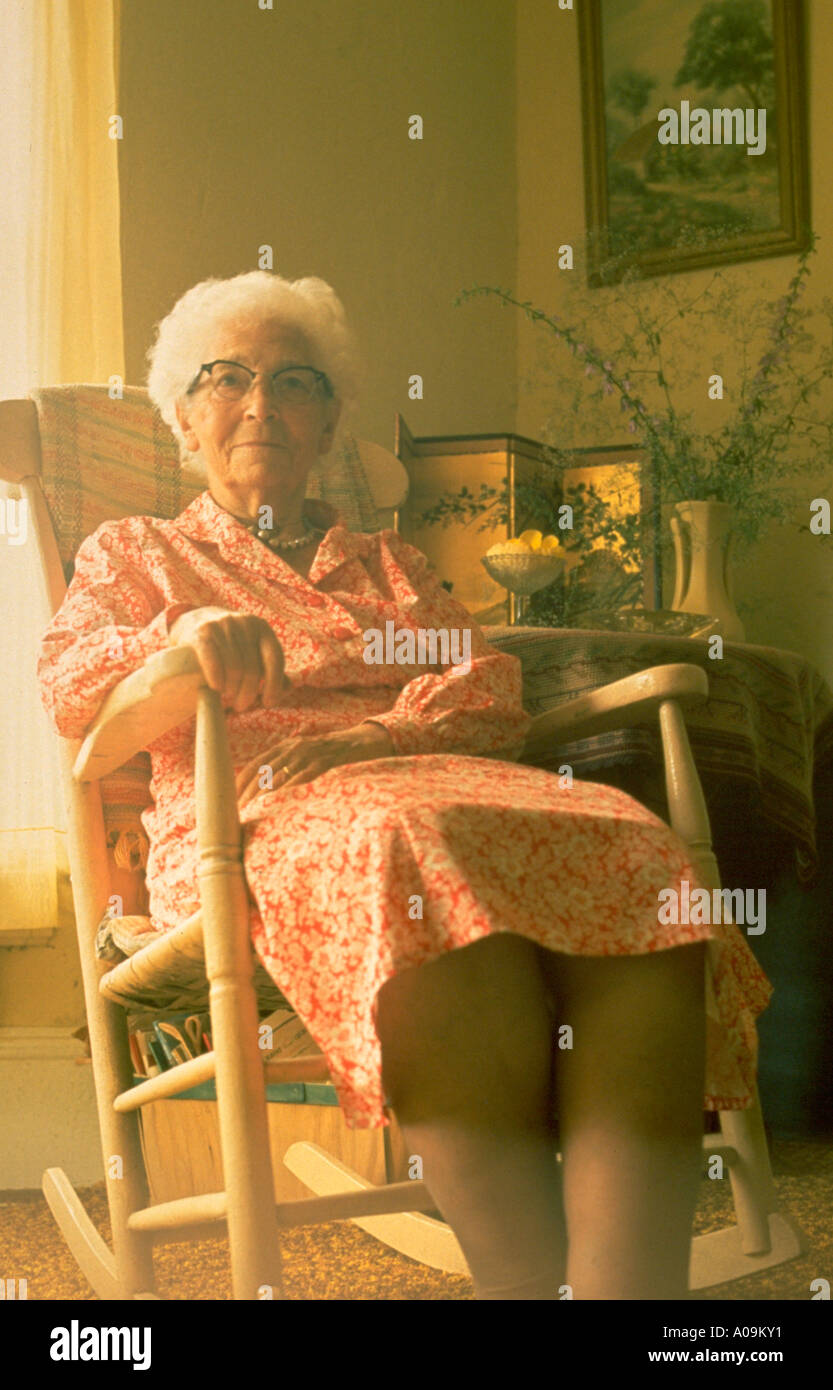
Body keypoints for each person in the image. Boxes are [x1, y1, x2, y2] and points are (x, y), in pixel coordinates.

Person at [38, 270, 771, 1301]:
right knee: (406, 845)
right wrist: (182, 639)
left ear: (327, 416)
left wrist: (374, 732)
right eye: (227, 378)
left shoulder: (384, 559)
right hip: (260, 824)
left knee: (633, 842)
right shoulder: (140, 552)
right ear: (183, 416)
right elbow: (70, 686)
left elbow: (485, 683)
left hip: (444, 787)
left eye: (294, 381)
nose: (261, 404)